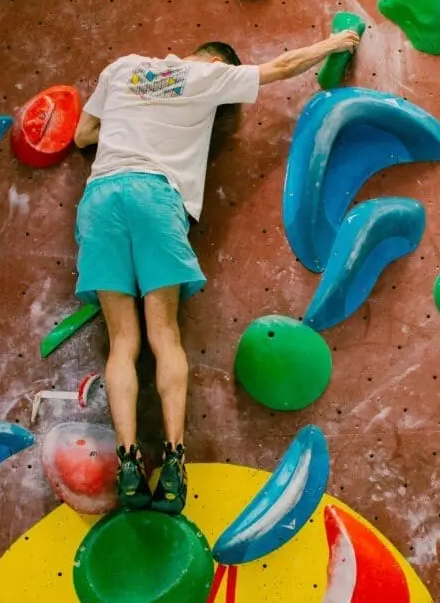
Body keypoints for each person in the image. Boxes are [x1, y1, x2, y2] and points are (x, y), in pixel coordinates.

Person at [72, 31, 361, 514]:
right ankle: (173, 463)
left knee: (124, 342)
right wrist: (335, 43)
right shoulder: (203, 75)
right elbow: (281, 66)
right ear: (215, 62)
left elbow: (83, 136)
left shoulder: (121, 66)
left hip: (101, 196)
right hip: (154, 194)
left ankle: (127, 461)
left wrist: (133, 119)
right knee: (163, 335)